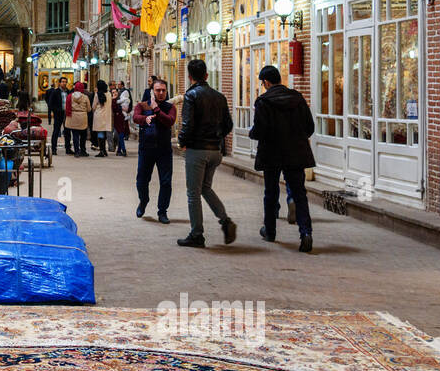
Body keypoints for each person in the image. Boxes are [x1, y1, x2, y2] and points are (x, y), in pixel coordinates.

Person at [249, 65, 316, 253]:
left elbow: (259, 130)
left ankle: (270, 231)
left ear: (267, 82)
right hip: (296, 153)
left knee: (271, 193)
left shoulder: (263, 101)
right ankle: (306, 233)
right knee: (299, 193)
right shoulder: (298, 98)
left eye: (263, 83)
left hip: (272, 154)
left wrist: (252, 134)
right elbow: (309, 127)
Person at [177, 59, 238, 248]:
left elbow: (187, 124)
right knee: (205, 188)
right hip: (215, 151)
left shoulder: (191, 95)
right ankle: (225, 220)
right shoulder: (219, 96)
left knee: (193, 193)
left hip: (197, 150)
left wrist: (183, 141)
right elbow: (228, 124)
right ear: (206, 75)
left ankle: (197, 234)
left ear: (189, 77)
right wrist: (217, 137)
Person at [132, 78, 176, 224]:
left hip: (164, 150)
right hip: (146, 149)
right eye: (158, 90)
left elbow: (169, 121)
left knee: (166, 182)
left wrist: (156, 108)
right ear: (152, 91)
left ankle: (162, 212)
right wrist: (146, 119)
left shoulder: (170, 107)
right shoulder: (142, 105)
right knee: (141, 181)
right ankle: (143, 201)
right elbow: (135, 117)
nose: (161, 93)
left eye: (164, 90)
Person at [65, 80, 91, 156]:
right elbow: (89, 109)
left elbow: (66, 107)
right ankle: (83, 150)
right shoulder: (85, 97)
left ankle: (76, 151)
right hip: (83, 117)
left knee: (75, 135)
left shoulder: (70, 96)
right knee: (83, 136)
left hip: (73, 116)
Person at [91, 79, 112, 157]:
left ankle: (101, 150)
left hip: (99, 116)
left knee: (100, 133)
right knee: (105, 133)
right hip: (107, 116)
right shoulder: (109, 94)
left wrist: (93, 110)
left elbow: (93, 106)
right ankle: (104, 150)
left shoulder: (97, 94)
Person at [45, 80, 66, 157]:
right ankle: (54, 149)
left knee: (67, 131)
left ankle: (68, 148)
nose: (64, 83)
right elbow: (50, 103)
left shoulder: (67, 92)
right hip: (58, 114)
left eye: (65, 82)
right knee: (56, 131)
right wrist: (56, 110)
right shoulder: (55, 92)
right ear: (59, 83)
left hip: (67, 114)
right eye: (63, 82)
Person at [113, 81, 132, 157]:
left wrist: (126, 109)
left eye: (116, 92)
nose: (115, 94)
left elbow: (127, 104)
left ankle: (121, 150)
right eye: (113, 93)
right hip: (118, 118)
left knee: (121, 134)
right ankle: (121, 150)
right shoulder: (115, 100)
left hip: (122, 118)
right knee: (120, 134)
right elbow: (114, 108)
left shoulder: (121, 98)